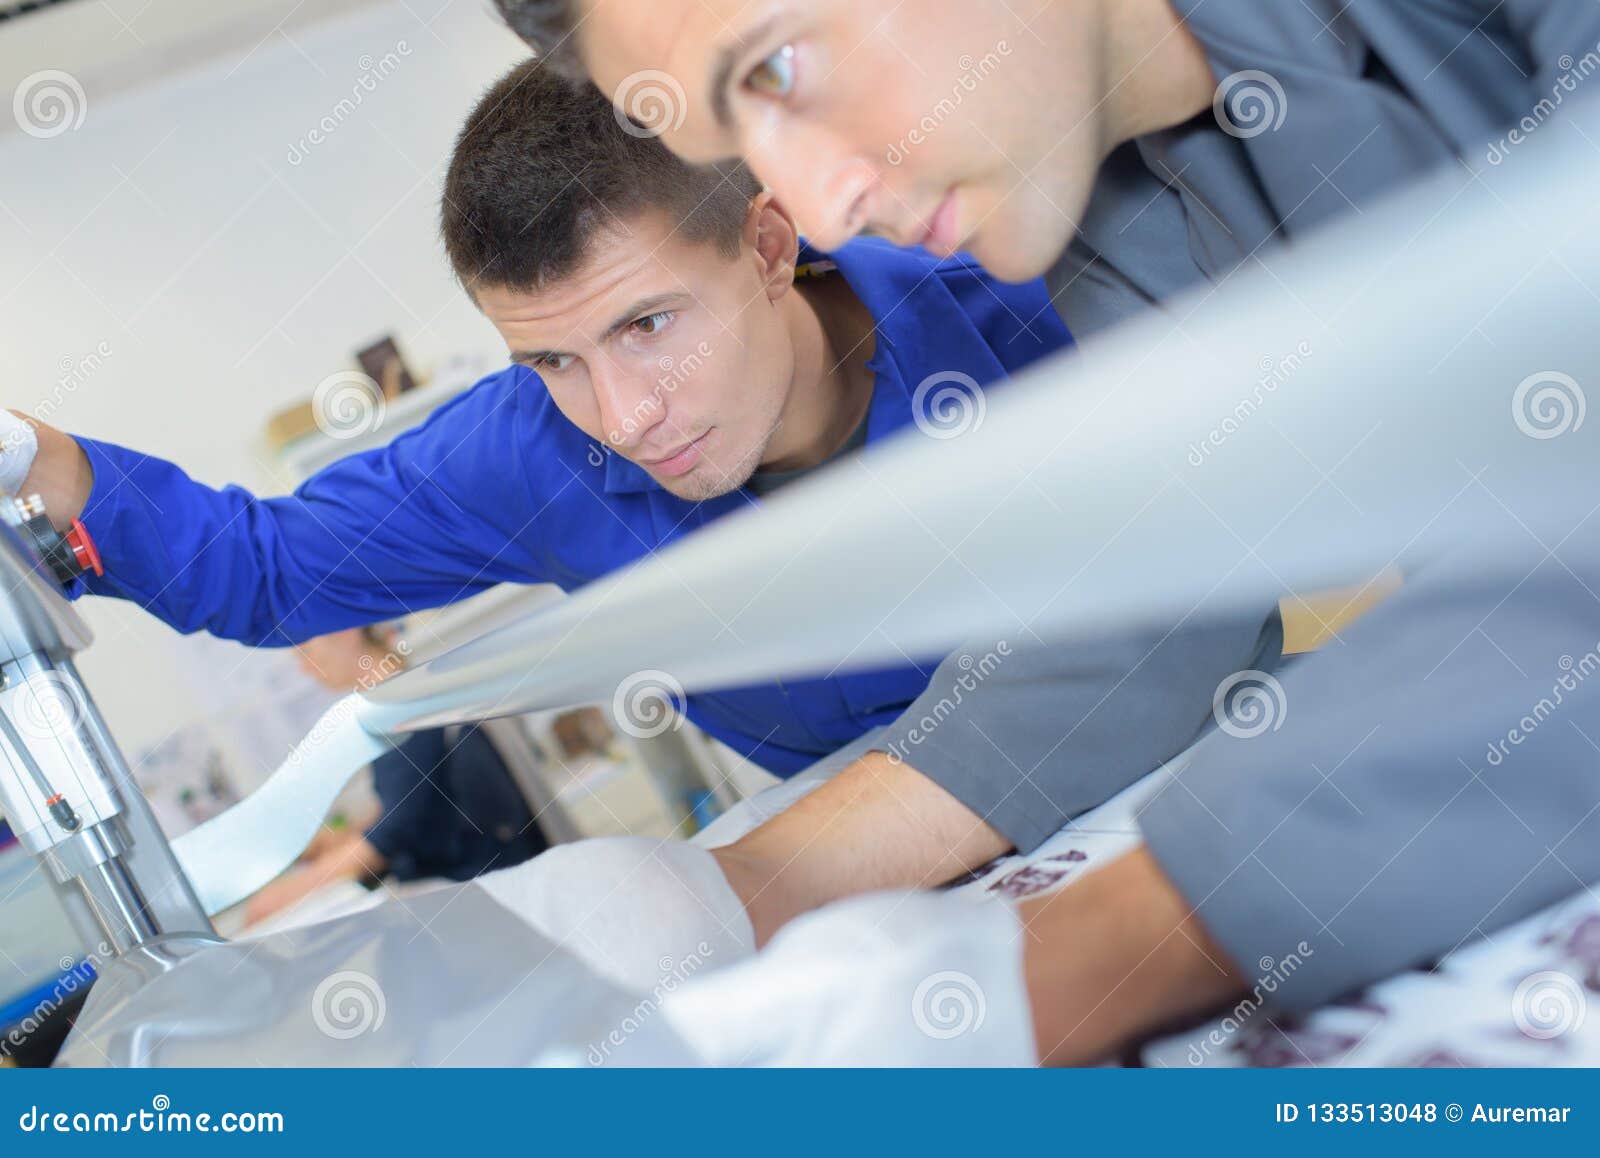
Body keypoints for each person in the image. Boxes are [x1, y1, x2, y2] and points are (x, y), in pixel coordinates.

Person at [492, 0, 1600, 1062]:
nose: (827, 214)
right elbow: (1152, 591)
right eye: (737, 139)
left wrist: (1091, 954)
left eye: (776, 66)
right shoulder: (1127, 176)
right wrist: (743, 888)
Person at [8, 61, 1068, 780]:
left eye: (650, 324)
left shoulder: (1026, 293)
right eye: (553, 358)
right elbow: (268, 570)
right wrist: (27, 458)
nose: (624, 416)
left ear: (765, 246)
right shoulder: (531, 454)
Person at [243, 623, 549, 926]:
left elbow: (392, 833)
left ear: (344, 630)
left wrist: (287, 895)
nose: (304, 670)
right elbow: (408, 801)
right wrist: (335, 839)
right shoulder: (388, 703)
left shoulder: (402, 705)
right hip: (464, 881)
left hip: (481, 887)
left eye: (305, 652)